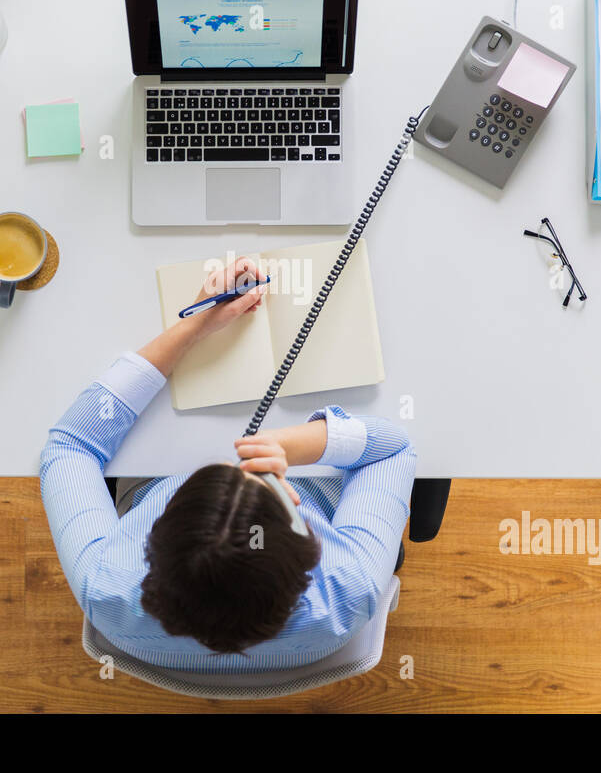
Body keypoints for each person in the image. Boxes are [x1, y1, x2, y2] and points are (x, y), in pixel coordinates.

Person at [40, 257, 415, 671]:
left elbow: (70, 446)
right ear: (310, 550)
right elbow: (395, 448)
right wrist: (286, 446)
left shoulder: (105, 588)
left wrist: (193, 325)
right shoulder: (350, 587)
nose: (236, 463)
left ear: (155, 536)